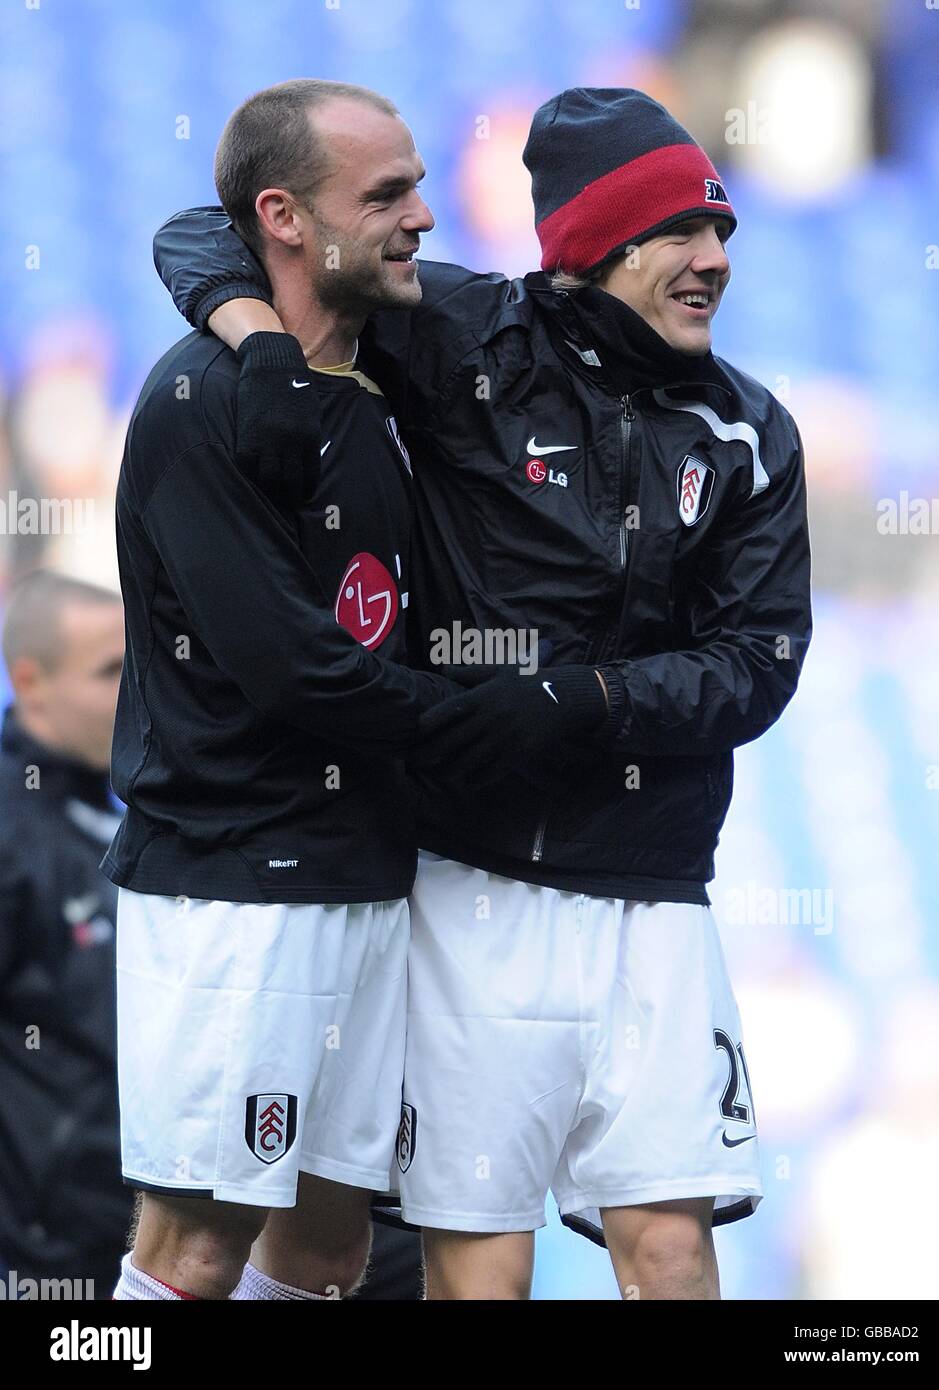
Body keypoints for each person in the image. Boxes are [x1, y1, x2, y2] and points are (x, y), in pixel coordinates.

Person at [153, 86, 812, 1300]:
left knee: (671, 1247)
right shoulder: (458, 333)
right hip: (471, 882)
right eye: (680, 232)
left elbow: (759, 666)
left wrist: (578, 705)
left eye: (722, 232)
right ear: (593, 248)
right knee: (476, 1257)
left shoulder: (749, 428)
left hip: (656, 888)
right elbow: (212, 232)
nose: (715, 259)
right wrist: (253, 340)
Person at [106, 79, 473, 1302]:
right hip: (234, 891)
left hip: (366, 874)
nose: (425, 215)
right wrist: (521, 718)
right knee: (195, 1245)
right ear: (284, 216)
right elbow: (301, 671)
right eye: (388, 194)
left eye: (419, 183)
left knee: (327, 1247)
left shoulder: (394, 369)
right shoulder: (195, 404)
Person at [0, 570, 131, 1300]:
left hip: (165, 1223)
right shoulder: (11, 838)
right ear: (32, 681)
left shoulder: (135, 820)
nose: (133, 692)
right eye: (111, 671)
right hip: (56, 1259)